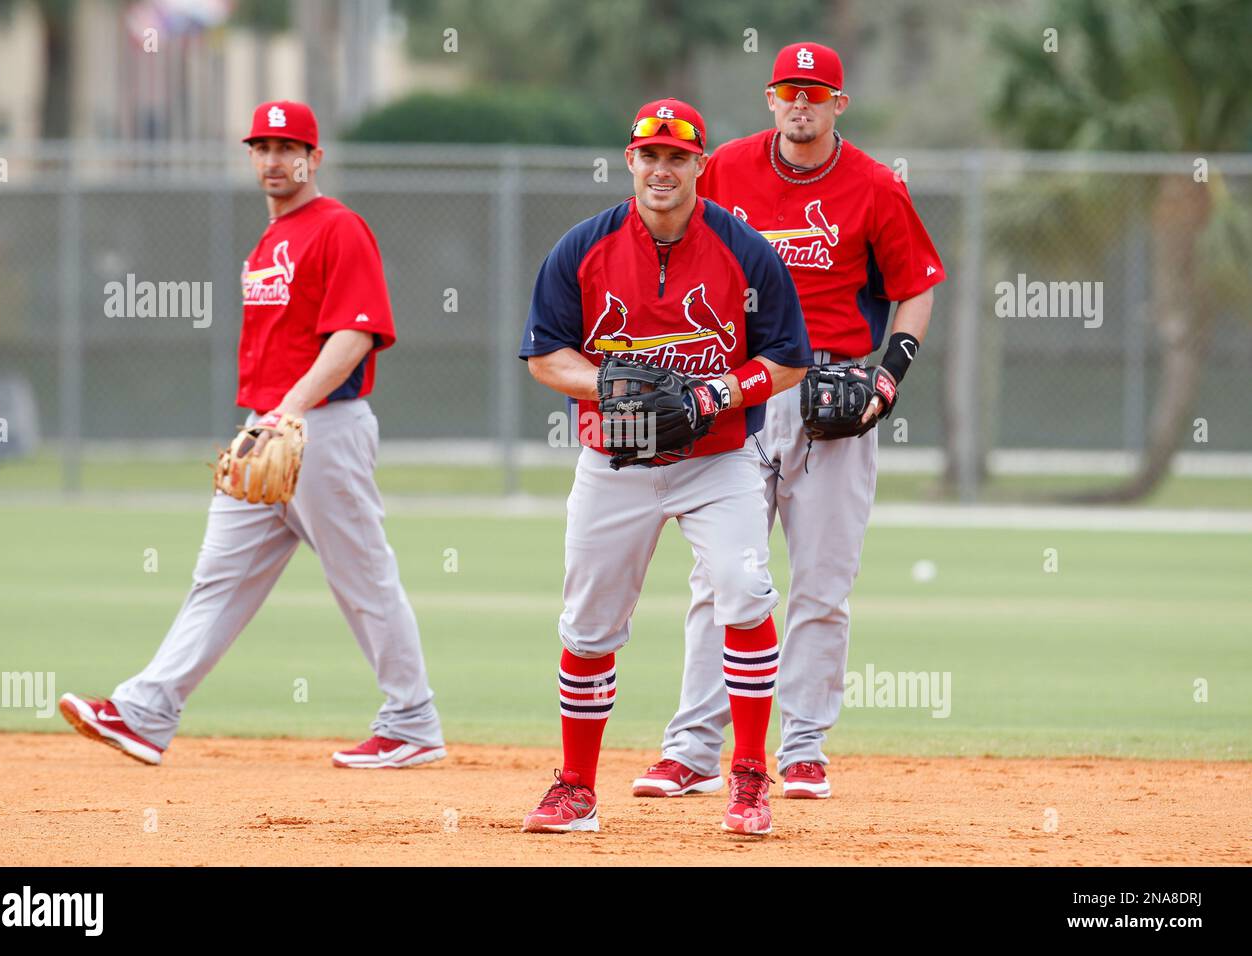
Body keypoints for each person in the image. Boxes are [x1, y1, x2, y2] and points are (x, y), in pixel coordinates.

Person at [59, 100, 446, 771]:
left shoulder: (338, 228)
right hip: (268, 428)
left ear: (314, 158)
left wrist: (289, 410)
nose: (274, 158)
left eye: (288, 146)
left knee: (362, 577)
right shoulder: (271, 239)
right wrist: (266, 421)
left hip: (318, 427)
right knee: (218, 577)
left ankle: (412, 719)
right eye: (262, 146)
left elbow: (353, 334)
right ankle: (148, 711)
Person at [633, 43, 946, 801]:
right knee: (721, 577)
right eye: (787, 91)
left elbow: (917, 287)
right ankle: (694, 749)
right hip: (738, 390)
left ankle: (803, 747)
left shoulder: (874, 184)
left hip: (835, 395)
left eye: (815, 92)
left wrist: (888, 376)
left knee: (823, 582)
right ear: (770, 99)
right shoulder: (727, 169)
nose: (800, 103)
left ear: (840, 104)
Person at [517, 98, 812, 835]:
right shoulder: (581, 247)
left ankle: (748, 782)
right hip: (615, 457)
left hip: (718, 459)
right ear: (631, 160)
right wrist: (612, 385)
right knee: (587, 622)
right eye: (650, 155)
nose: (662, 169)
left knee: (745, 590)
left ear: (699, 165)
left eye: (678, 157)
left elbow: (787, 359)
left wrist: (719, 389)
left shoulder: (745, 249)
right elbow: (546, 356)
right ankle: (576, 788)